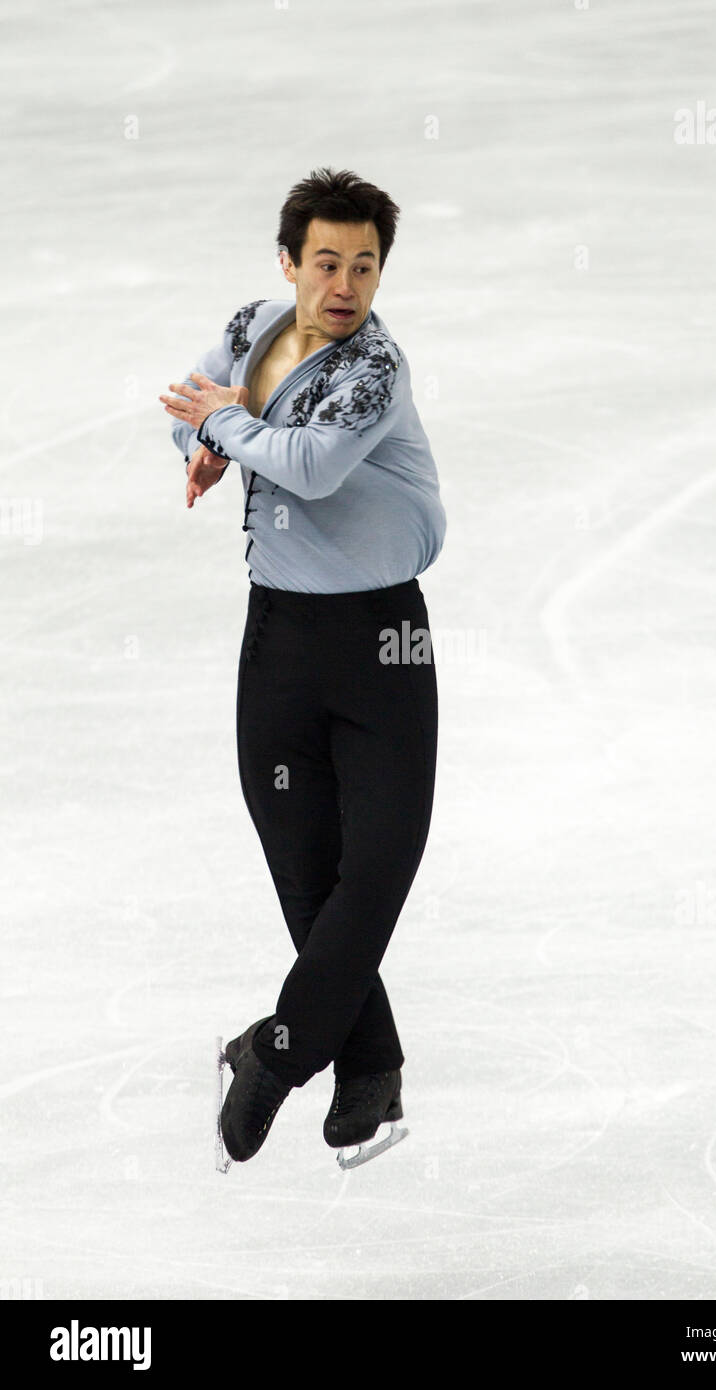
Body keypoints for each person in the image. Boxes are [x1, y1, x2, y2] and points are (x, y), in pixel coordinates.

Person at [160, 167, 446, 1163]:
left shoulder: (376, 369)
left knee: (376, 868)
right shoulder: (250, 329)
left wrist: (226, 428)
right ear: (288, 262)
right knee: (308, 877)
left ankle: (271, 1054)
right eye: (325, 261)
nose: (344, 283)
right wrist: (200, 440)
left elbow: (314, 466)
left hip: (381, 644)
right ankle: (370, 1065)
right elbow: (192, 403)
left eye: (363, 265)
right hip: (279, 640)